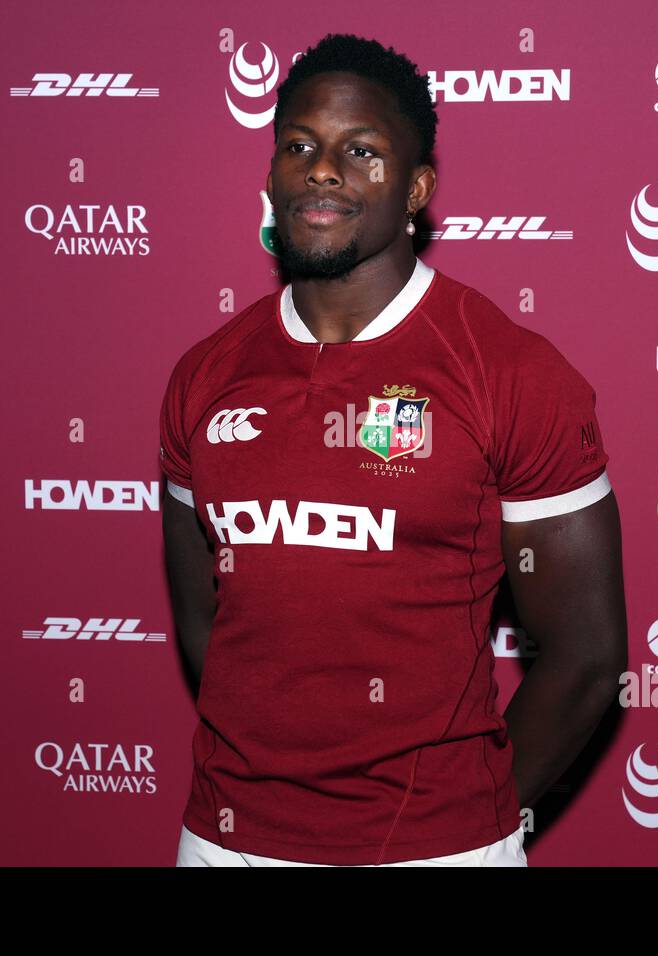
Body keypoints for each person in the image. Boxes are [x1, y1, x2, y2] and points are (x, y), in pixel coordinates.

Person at [160, 33, 627, 867]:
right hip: (227, 839)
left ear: (415, 189)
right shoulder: (205, 376)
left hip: (436, 847)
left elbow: (587, 658)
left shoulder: (510, 372)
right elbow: (210, 624)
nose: (323, 170)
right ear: (271, 177)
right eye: (299, 145)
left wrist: (458, 824)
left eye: (361, 151)